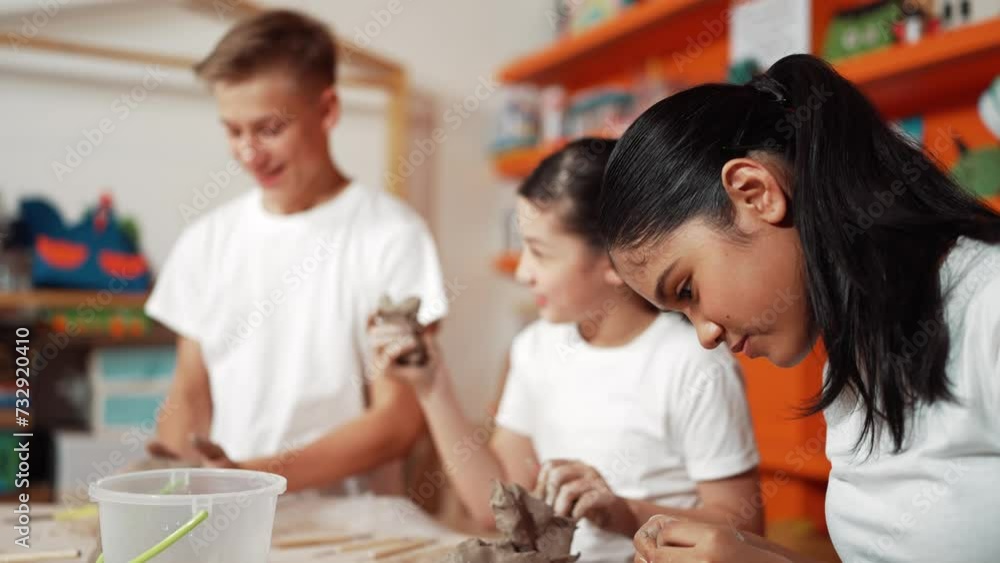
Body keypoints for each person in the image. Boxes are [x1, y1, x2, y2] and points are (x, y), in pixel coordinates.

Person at [598, 54, 1000, 562]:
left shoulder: (988, 303)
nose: (704, 335)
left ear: (755, 192)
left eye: (687, 290)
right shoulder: (855, 362)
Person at [372, 138, 762, 563]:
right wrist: (432, 387)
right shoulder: (535, 347)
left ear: (616, 260)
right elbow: (494, 508)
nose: (523, 272)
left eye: (539, 252)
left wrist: (624, 513)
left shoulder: (692, 363)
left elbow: (742, 528)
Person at [144, 10, 448, 494]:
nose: (248, 152)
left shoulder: (393, 237)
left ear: (327, 110)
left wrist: (253, 479)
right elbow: (189, 392)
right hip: (226, 514)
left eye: (267, 129)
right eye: (233, 130)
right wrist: (176, 486)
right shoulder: (206, 240)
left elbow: (397, 421)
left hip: (352, 530)